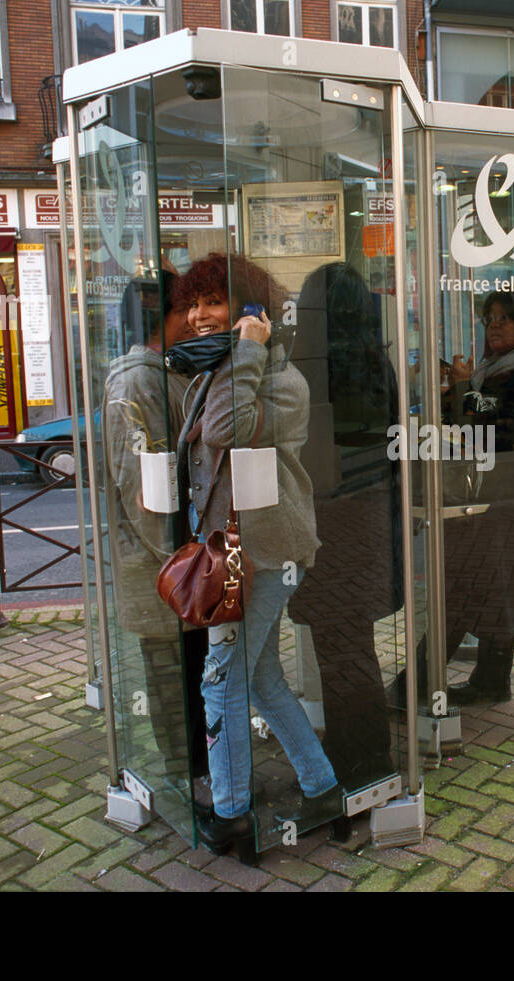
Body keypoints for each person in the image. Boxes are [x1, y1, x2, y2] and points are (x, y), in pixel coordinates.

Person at [175, 253, 341, 855]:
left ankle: (232, 813)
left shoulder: (277, 379)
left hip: (267, 553)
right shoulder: (224, 368)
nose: (197, 315)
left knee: (219, 682)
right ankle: (322, 785)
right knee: (262, 675)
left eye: (212, 302)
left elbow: (227, 429)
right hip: (235, 551)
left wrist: (246, 348)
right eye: (191, 304)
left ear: (250, 310)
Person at [288, 263, 402, 789]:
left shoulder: (312, 364)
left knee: (340, 642)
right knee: (351, 640)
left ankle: (364, 759)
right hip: (371, 511)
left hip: (329, 516)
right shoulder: (378, 361)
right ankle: (358, 748)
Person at [103, 271, 209, 810]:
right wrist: (180, 561)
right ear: (161, 317)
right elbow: (142, 485)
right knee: (172, 680)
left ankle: (196, 772)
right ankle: (183, 781)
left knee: (190, 673)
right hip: (166, 569)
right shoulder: (137, 382)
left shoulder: (163, 372)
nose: (195, 320)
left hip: (181, 563)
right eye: (186, 309)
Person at [429, 291, 514, 705]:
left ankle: (417, 682)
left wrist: (465, 388)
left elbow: (498, 437)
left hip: (508, 502)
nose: (496, 326)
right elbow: (468, 420)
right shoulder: (497, 371)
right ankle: (491, 680)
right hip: (494, 499)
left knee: (466, 591)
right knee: (494, 588)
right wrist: (459, 386)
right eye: (490, 319)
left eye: (507, 319)